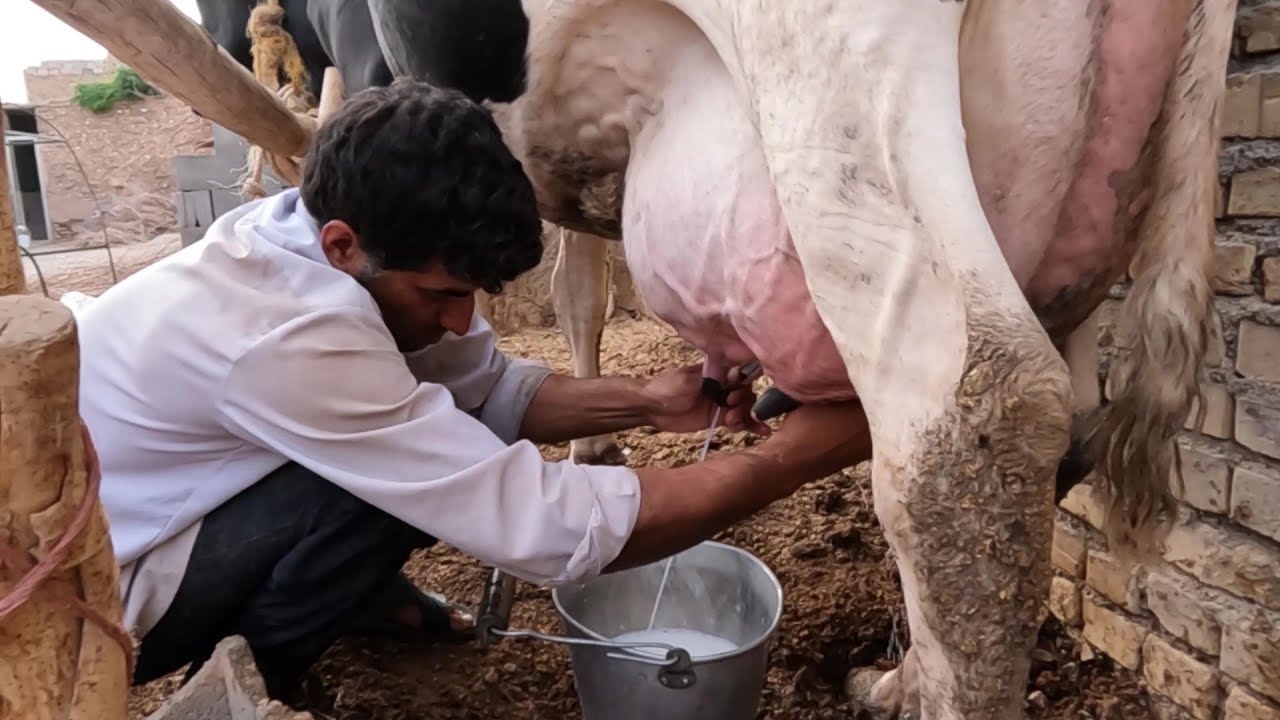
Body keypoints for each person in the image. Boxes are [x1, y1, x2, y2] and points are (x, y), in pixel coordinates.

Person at [72, 78, 871, 700]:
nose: (461, 324)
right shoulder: (287, 336)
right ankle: (251, 684)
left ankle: (356, 599)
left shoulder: (308, 239)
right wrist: (788, 462)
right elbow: (540, 527)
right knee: (375, 495)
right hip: (105, 602)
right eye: (442, 296)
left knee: (406, 447)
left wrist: (647, 401)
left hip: (166, 506)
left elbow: (480, 388)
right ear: (344, 246)